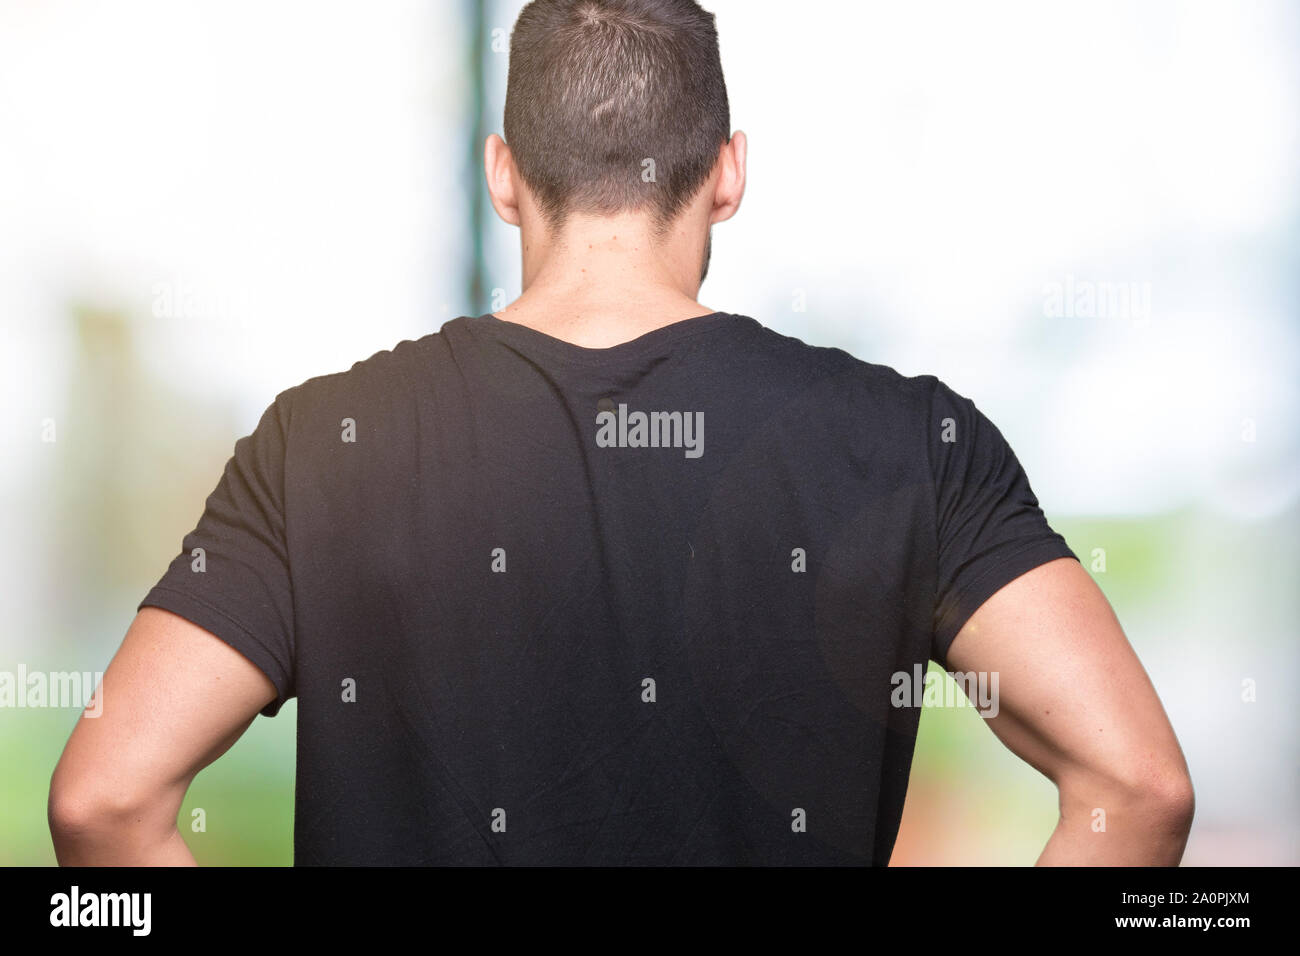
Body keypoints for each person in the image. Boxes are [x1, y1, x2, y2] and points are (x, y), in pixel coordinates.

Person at [48, 0, 1193, 866]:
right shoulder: (912, 444)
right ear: (729, 170)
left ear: (505, 176)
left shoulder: (321, 443)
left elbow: (103, 799)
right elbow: (1136, 782)